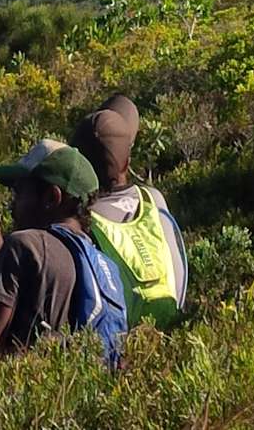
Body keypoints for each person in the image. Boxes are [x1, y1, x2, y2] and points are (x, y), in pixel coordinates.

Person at [0, 138, 119, 360]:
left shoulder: (26, 244)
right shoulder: (102, 264)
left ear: (51, 197)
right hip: (78, 387)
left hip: (16, 387)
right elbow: (9, 273)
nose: (12, 204)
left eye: (19, 192)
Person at [69, 95, 189, 326]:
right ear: (126, 163)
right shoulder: (154, 200)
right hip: (175, 329)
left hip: (120, 343)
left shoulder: (82, 220)